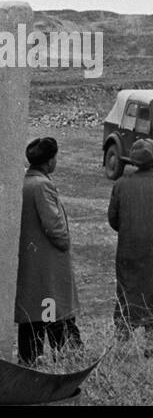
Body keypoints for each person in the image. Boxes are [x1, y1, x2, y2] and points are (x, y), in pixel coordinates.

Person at [107, 138, 153, 354]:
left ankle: (121, 346)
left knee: (128, 293)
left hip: (129, 249)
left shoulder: (120, 184)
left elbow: (113, 220)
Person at [14, 136, 82, 364]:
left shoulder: (25, 182)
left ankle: (29, 361)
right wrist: (65, 243)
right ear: (48, 162)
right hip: (48, 266)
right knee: (55, 312)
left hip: (32, 265)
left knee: (32, 315)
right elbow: (56, 228)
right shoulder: (43, 186)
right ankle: (67, 359)